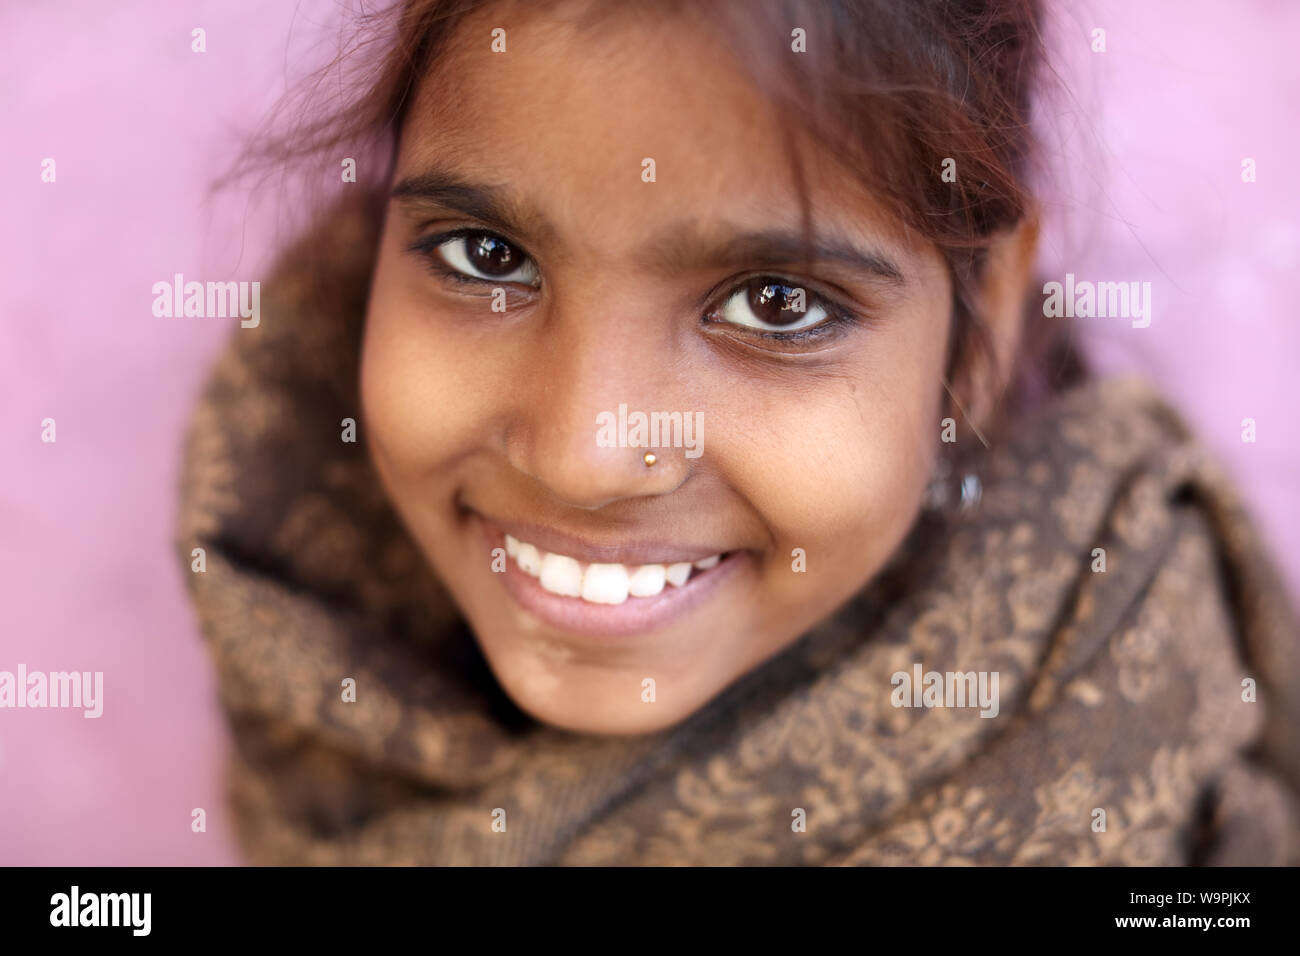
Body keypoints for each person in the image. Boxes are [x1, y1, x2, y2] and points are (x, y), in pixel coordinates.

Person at [178, 0, 1300, 865]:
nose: (583, 454)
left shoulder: (1144, 792)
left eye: (775, 302)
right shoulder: (298, 598)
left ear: (983, 321)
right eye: (487, 254)